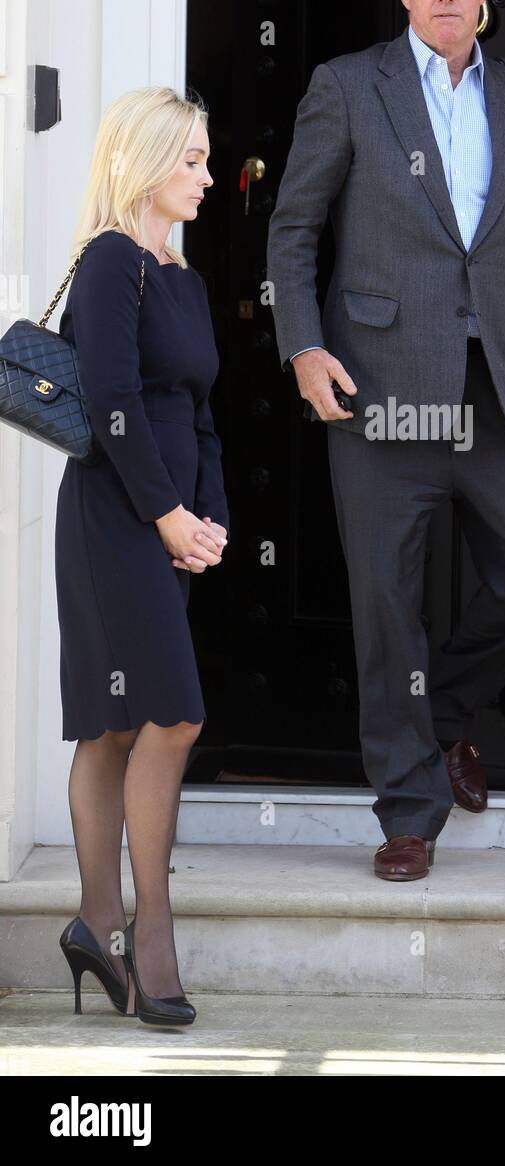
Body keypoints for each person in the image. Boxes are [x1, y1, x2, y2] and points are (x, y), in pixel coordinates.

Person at [267, 0, 505, 880]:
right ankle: (410, 808)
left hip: (499, 386)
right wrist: (303, 348)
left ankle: (443, 716)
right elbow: (293, 228)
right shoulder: (349, 88)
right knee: (387, 605)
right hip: (378, 386)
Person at [55, 85, 229, 1025]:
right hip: (115, 521)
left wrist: (213, 516)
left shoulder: (183, 278)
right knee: (162, 717)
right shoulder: (111, 262)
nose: (207, 177)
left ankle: (99, 929)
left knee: (128, 722)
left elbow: (197, 412)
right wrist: (166, 516)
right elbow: (114, 403)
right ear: (143, 162)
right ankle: (137, 926)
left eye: (206, 160)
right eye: (191, 160)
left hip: (170, 524)